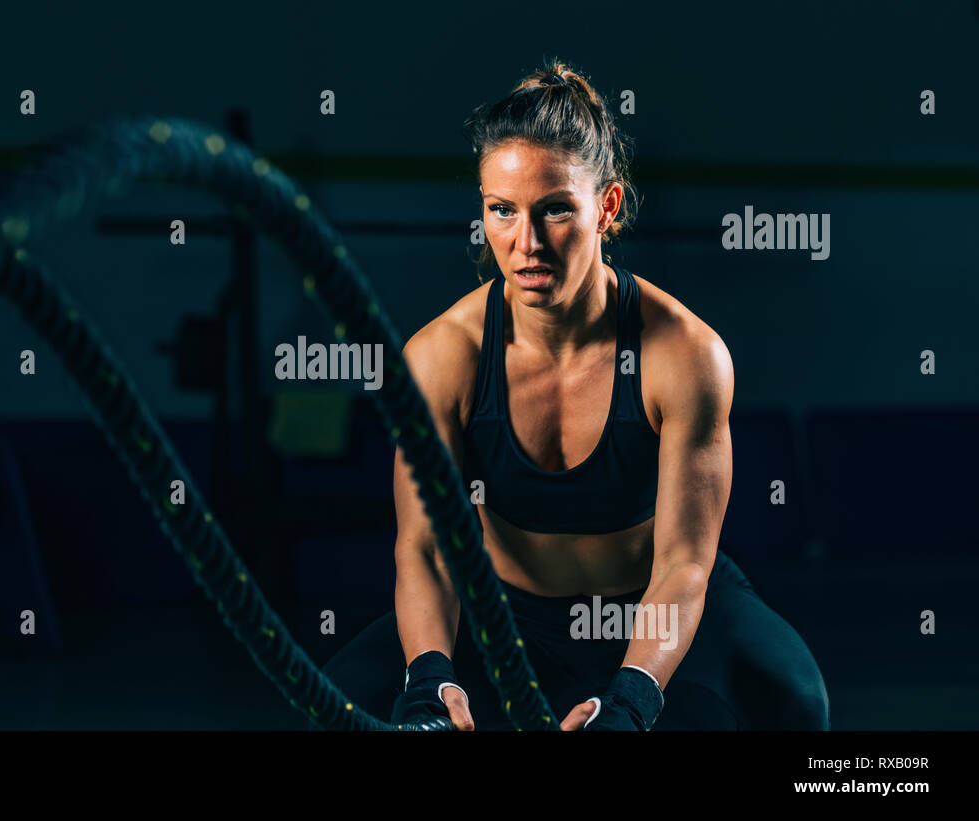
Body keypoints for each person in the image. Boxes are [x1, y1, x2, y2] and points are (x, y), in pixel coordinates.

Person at [321, 61, 829, 731]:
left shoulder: (685, 355)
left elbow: (683, 562)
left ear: (607, 208)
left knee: (792, 698)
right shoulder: (442, 357)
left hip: (650, 605)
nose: (524, 243)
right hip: (502, 610)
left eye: (555, 209)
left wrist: (635, 696)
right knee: (340, 701)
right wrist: (429, 677)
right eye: (501, 210)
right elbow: (426, 547)